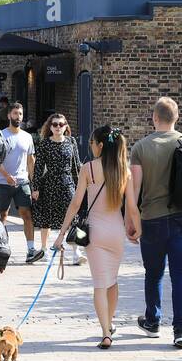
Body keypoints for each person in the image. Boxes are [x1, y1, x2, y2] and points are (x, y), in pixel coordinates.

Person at [126, 96, 182, 349]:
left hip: (152, 218)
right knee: (181, 276)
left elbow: (134, 192)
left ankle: (153, 321)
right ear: (176, 118)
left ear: (154, 117)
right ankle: (181, 331)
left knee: (153, 274)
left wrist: (132, 223)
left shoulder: (141, 147)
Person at [54, 126, 130, 349]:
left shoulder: (88, 168)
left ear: (100, 145)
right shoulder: (123, 170)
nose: (90, 147)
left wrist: (60, 235)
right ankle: (110, 322)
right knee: (113, 281)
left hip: (94, 232)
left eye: (92, 143)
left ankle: (106, 332)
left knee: (99, 284)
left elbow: (76, 204)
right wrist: (136, 229)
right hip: (117, 232)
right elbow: (132, 206)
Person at [33, 113, 82, 266]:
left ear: (66, 126)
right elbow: (39, 167)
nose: (58, 127)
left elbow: (76, 165)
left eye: (61, 124)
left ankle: (76, 252)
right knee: (46, 218)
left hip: (67, 183)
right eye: (55, 124)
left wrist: (81, 184)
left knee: (74, 217)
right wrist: (36, 188)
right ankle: (44, 249)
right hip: (49, 183)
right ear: (50, 127)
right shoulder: (45, 144)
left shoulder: (71, 142)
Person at [0, 102, 39, 263]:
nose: (18, 117)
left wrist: (35, 185)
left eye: (20, 114)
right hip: (2, 182)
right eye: (15, 113)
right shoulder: (1, 135)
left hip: (22, 183)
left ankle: (31, 250)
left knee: (27, 214)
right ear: (8, 116)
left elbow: (31, 161)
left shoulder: (27, 137)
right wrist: (6, 176)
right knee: (2, 215)